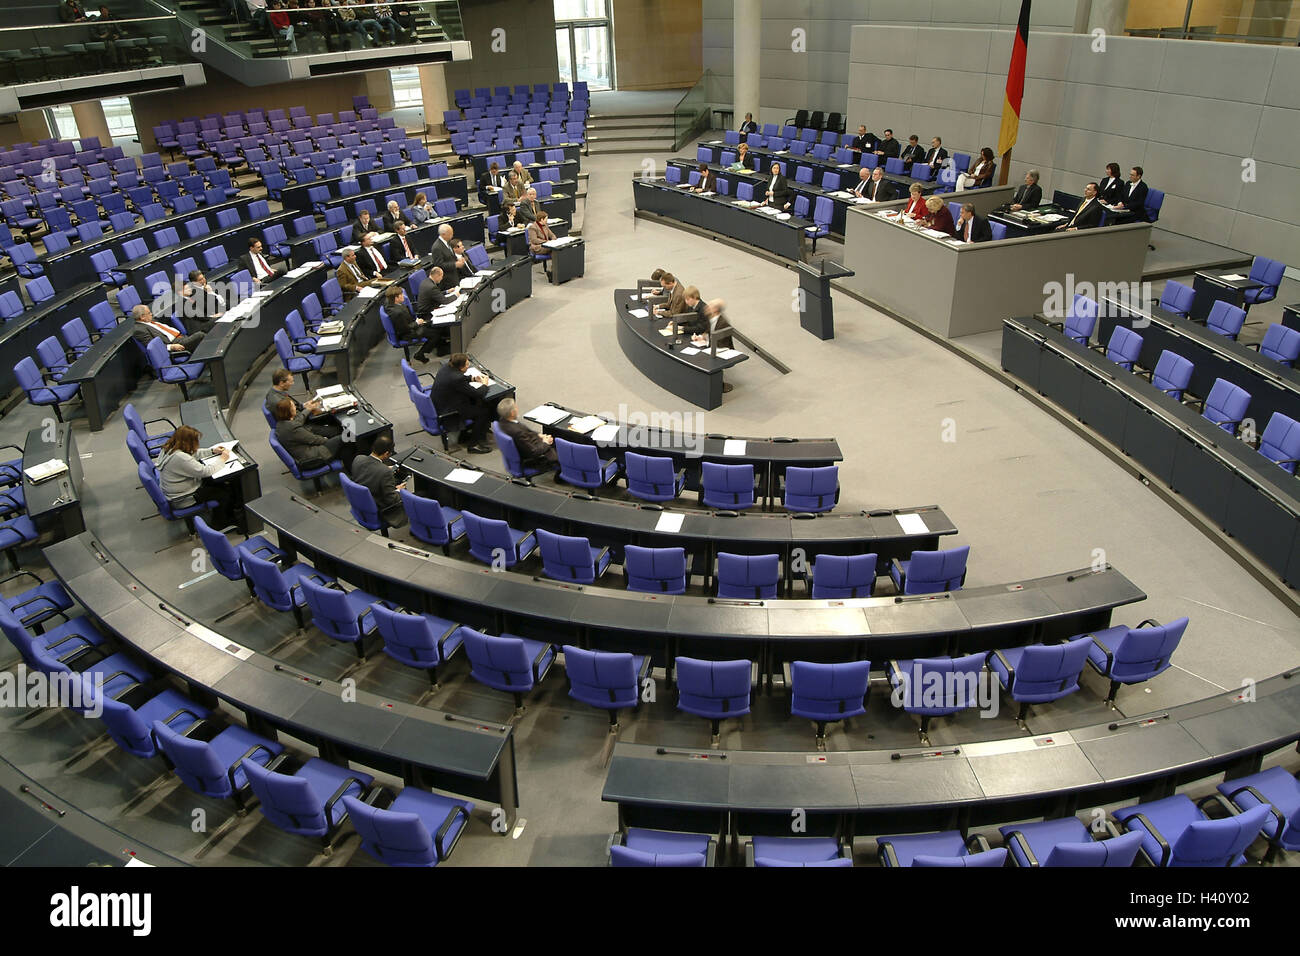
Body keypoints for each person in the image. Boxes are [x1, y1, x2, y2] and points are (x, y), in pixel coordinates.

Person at [155, 426, 238, 529]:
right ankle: (220, 523)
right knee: (224, 494)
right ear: (188, 442)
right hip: (185, 498)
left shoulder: (169, 447)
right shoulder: (180, 458)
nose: (196, 444)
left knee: (216, 483)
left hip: (175, 493)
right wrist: (222, 459)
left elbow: (192, 453)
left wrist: (212, 451)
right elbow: (205, 471)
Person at [432, 353, 492, 453]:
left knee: (474, 403)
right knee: (483, 412)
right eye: (467, 365)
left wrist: (472, 378)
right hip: (449, 410)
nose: (468, 366)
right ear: (461, 366)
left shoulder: (446, 367)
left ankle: (465, 435)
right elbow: (477, 393)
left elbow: (457, 377)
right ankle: (473, 445)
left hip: (440, 403)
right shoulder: (457, 379)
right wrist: (485, 384)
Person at [274, 396, 344, 470]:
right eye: (294, 406)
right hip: (313, 458)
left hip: (301, 453)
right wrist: (328, 440)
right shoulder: (292, 427)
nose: (295, 408)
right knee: (344, 438)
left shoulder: (280, 424)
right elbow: (314, 440)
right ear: (289, 411)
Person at [351, 435, 407, 526]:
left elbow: (369, 469)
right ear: (386, 454)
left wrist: (384, 468)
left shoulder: (358, 458)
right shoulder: (384, 472)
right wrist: (399, 490)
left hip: (363, 502)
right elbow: (392, 500)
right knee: (416, 494)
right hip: (380, 508)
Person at [497, 397, 557, 470]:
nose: (517, 409)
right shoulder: (517, 432)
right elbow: (534, 452)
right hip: (531, 456)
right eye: (516, 407)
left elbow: (526, 431)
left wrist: (539, 435)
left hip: (528, 443)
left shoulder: (503, 421)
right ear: (512, 413)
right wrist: (546, 442)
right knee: (560, 449)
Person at [384, 285, 438, 363]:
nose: (404, 296)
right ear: (396, 298)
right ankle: (420, 354)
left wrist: (416, 321)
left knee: (431, 324)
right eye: (401, 295)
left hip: (409, 325)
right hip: (408, 334)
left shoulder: (391, 304)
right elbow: (404, 329)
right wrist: (417, 323)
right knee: (435, 334)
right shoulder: (397, 312)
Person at [131, 304, 205, 353]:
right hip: (175, 344)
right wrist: (171, 347)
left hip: (181, 337)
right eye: (149, 313)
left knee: (200, 332)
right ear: (142, 317)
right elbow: (153, 347)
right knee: (200, 335)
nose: (151, 314)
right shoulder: (139, 330)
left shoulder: (150, 320)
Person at [428, 224, 464, 290]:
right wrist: (455, 264)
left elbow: (451, 256)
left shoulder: (448, 242)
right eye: (450, 234)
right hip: (447, 282)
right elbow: (439, 265)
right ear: (443, 234)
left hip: (454, 278)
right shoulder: (437, 247)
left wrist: (458, 260)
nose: (452, 235)